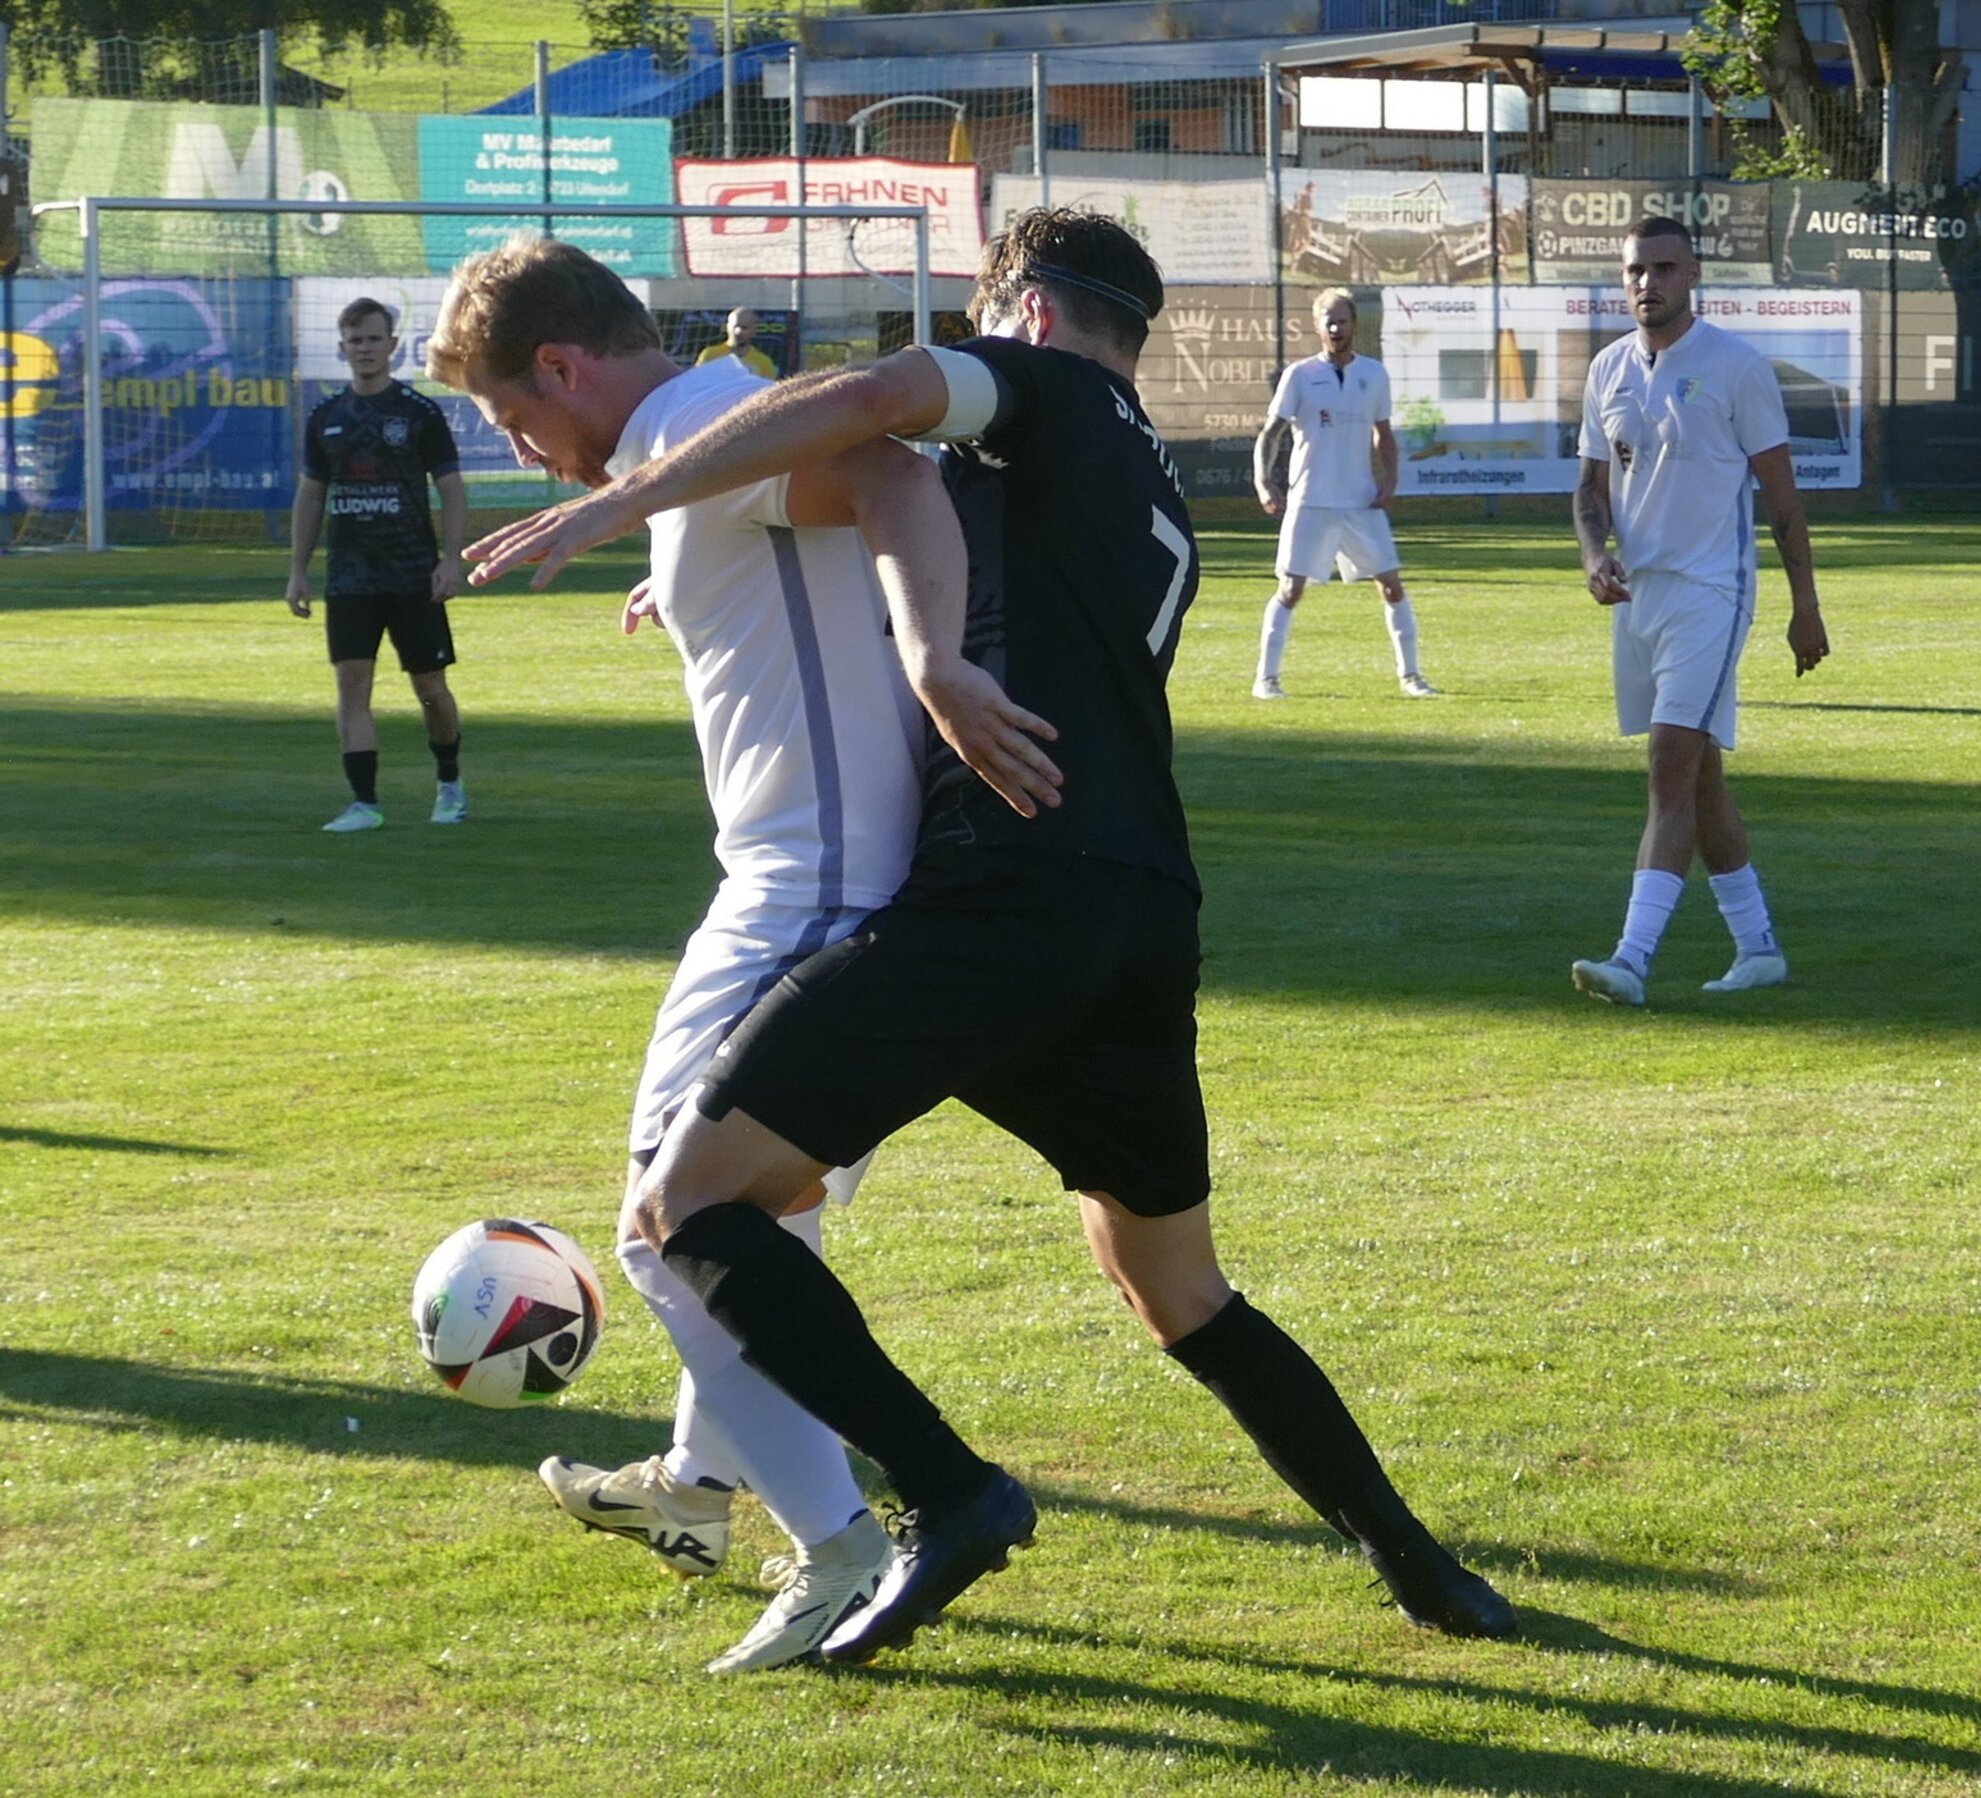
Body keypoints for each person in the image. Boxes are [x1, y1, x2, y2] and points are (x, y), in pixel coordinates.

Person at [464, 209, 1516, 1664]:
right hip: (1141, 902)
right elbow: (895, 511)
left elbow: (880, 417)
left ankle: (933, 1501)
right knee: (1180, 1291)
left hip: (1001, 899)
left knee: (685, 1206)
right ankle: (1425, 1569)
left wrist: (626, 499)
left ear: (1022, 312)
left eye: (979, 320)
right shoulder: (1141, 475)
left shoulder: (1043, 388)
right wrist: (693, 542)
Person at [424, 237, 982, 1670]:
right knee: (757, 1223)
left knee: (664, 1223)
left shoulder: (682, 428)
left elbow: (893, 476)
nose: (530, 453)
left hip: (810, 883)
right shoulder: (711, 429)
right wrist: (693, 582)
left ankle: (841, 1541)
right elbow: (810, 518)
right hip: (827, 871)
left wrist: (934, 656)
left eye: (512, 419)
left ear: (562, 366)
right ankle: (700, 1483)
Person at [1570, 217, 1831, 1007]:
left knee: (1669, 765)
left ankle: (1632, 958)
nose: (1645, 283)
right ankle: (1758, 948)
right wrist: (1593, 558)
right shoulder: (1609, 369)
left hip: (1713, 591)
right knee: (1703, 779)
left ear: (1694, 276)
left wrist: (1805, 608)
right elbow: (1588, 491)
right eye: (1633, 271)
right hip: (1638, 597)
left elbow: (1782, 499)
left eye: (1662, 268)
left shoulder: (1737, 367)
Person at [288, 297, 470, 832]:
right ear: (341, 349)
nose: (364, 349)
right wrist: (298, 570)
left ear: (392, 345)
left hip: (413, 574)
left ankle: (450, 783)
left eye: (373, 339)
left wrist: (450, 560)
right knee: (352, 685)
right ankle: (365, 803)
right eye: (354, 341)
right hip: (349, 578)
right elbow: (310, 497)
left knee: (430, 690)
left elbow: (453, 490)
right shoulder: (325, 418)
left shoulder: (419, 413)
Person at [1251, 287, 1439, 703]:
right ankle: (1266, 679)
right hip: (1310, 500)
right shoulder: (1299, 375)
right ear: (1318, 327)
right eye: (1329, 321)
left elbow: (1384, 434)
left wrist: (1390, 480)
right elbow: (1272, 433)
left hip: (1360, 501)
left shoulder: (1374, 374)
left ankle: (1411, 676)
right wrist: (1264, 481)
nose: (1337, 328)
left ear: (1355, 325)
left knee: (1391, 585)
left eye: (1343, 320)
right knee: (1290, 589)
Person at [694, 307, 778, 381]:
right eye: (735, 327)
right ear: (727, 327)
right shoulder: (709, 356)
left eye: (744, 328)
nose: (738, 332)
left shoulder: (764, 363)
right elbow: (696, 383)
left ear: (754, 331)